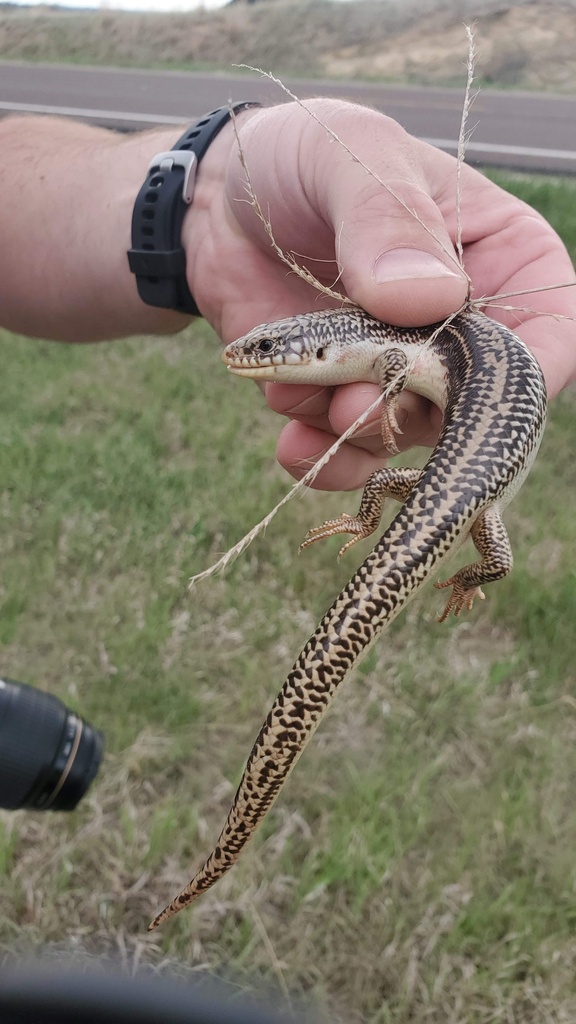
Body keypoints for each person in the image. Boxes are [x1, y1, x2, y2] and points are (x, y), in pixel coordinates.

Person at [0, 99, 574, 492]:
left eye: (269, 347)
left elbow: (396, 361)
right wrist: (210, 211)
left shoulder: (371, 343)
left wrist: (217, 198)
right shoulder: (357, 348)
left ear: (318, 349)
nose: (249, 355)